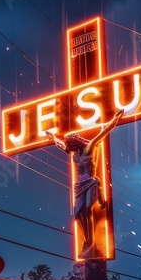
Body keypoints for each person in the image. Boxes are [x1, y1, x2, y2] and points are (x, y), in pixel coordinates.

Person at [46, 109, 125, 259]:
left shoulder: (89, 148)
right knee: (78, 214)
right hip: (78, 186)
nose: (73, 148)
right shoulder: (74, 154)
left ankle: (90, 244)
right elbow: (61, 145)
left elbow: (104, 131)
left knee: (85, 211)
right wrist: (53, 136)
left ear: (77, 143)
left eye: (74, 145)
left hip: (89, 182)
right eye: (72, 146)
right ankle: (88, 242)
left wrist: (115, 119)